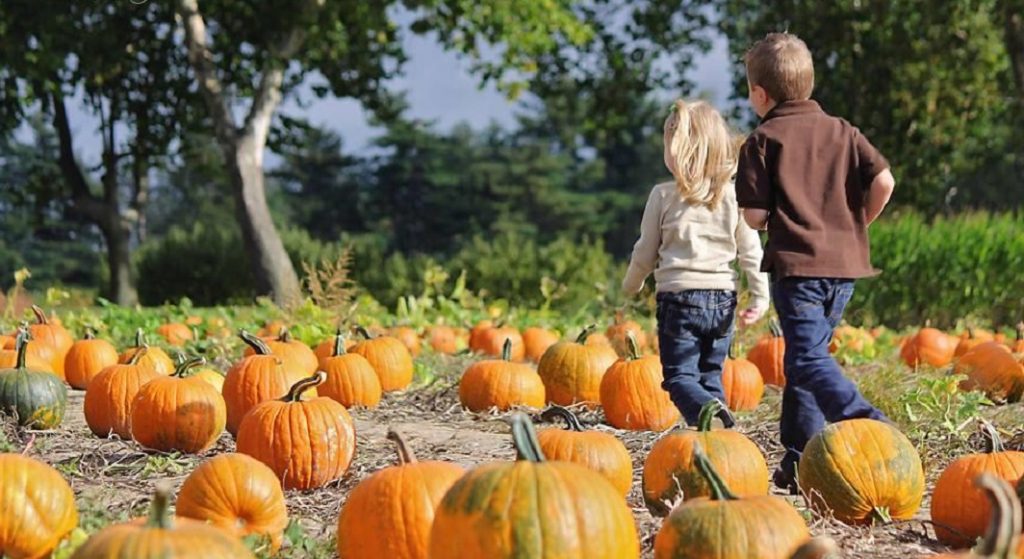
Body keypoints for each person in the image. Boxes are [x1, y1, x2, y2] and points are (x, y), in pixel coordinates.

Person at [734, 32, 896, 492]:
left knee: (806, 358)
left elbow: (755, 216)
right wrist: (857, 222)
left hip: (799, 268)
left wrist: (763, 215)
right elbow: (884, 180)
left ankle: (867, 420)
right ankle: (799, 458)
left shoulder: (762, 140)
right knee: (808, 360)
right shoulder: (844, 130)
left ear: (760, 94)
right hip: (844, 267)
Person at [622, 99, 770, 428]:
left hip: (680, 299)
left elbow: (645, 251)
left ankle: (713, 418)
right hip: (722, 300)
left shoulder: (662, 196)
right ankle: (715, 441)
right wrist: (760, 296)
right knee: (709, 376)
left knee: (678, 378)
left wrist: (631, 284)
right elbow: (751, 251)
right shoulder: (734, 196)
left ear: (676, 148)